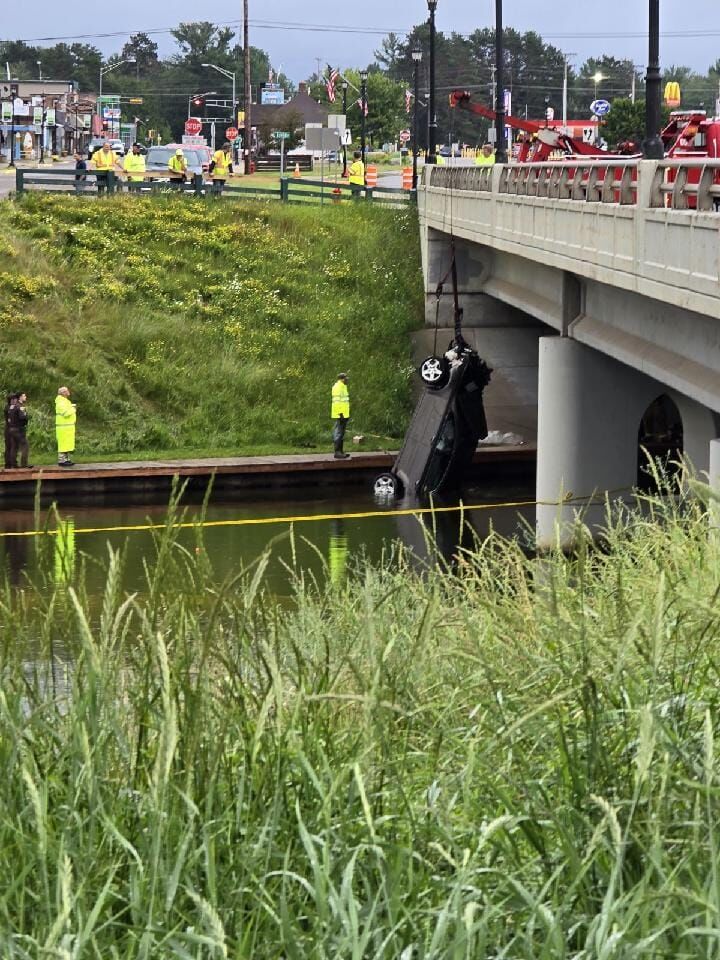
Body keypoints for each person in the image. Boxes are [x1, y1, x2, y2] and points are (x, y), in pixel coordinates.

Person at [7, 392, 30, 469]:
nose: (25, 397)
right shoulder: (20, 406)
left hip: (11, 428)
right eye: (24, 396)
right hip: (19, 429)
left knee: (14, 446)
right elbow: (23, 417)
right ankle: (24, 464)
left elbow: (9, 417)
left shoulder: (12, 406)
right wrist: (26, 418)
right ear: (20, 397)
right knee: (25, 445)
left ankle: (13, 464)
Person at [55, 386, 77, 467]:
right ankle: (61, 460)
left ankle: (66, 459)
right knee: (63, 443)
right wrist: (73, 409)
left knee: (67, 443)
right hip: (63, 427)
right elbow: (65, 413)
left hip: (67, 426)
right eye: (66, 391)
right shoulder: (61, 402)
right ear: (63, 393)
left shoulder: (65, 401)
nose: (68, 392)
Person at [331, 373, 350, 459]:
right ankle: (337, 452)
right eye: (346, 378)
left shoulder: (343, 387)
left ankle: (341, 451)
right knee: (338, 432)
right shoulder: (338, 387)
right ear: (342, 379)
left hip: (344, 414)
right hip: (340, 414)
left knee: (341, 432)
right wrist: (340, 413)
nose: (347, 380)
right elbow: (337, 402)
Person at [4, 392, 18, 469]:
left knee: (12, 446)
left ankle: (11, 462)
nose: (16, 400)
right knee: (10, 446)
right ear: (11, 400)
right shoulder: (9, 408)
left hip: (10, 428)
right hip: (10, 428)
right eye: (14, 399)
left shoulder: (10, 407)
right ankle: (9, 463)